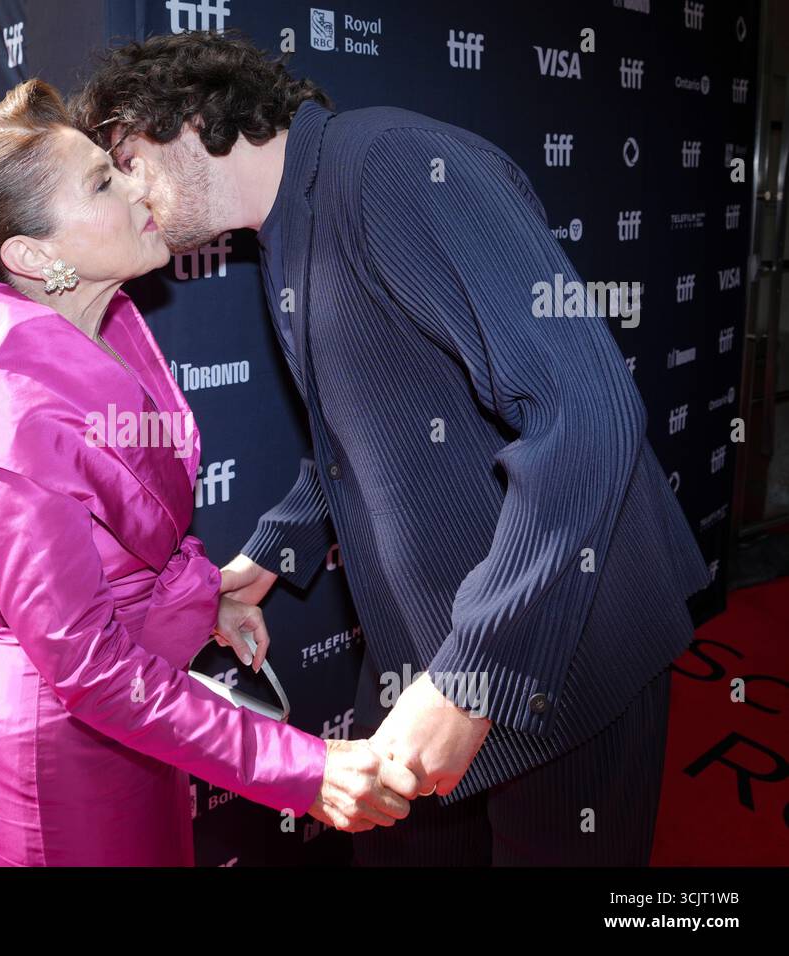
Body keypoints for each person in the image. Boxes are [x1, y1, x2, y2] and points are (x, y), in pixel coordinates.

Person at [72, 31, 711, 866]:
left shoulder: (391, 169)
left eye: (122, 159)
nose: (123, 196)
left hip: (568, 651)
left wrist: (476, 673)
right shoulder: (284, 227)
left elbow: (584, 412)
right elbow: (366, 426)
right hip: (440, 650)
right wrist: (270, 553)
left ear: (187, 117)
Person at [0, 79, 419, 866]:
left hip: (142, 711)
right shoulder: (6, 421)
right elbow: (87, 668)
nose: (143, 186)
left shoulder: (97, 318)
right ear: (34, 256)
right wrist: (304, 768)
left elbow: (117, 540)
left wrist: (201, 600)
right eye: (105, 183)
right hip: (61, 756)